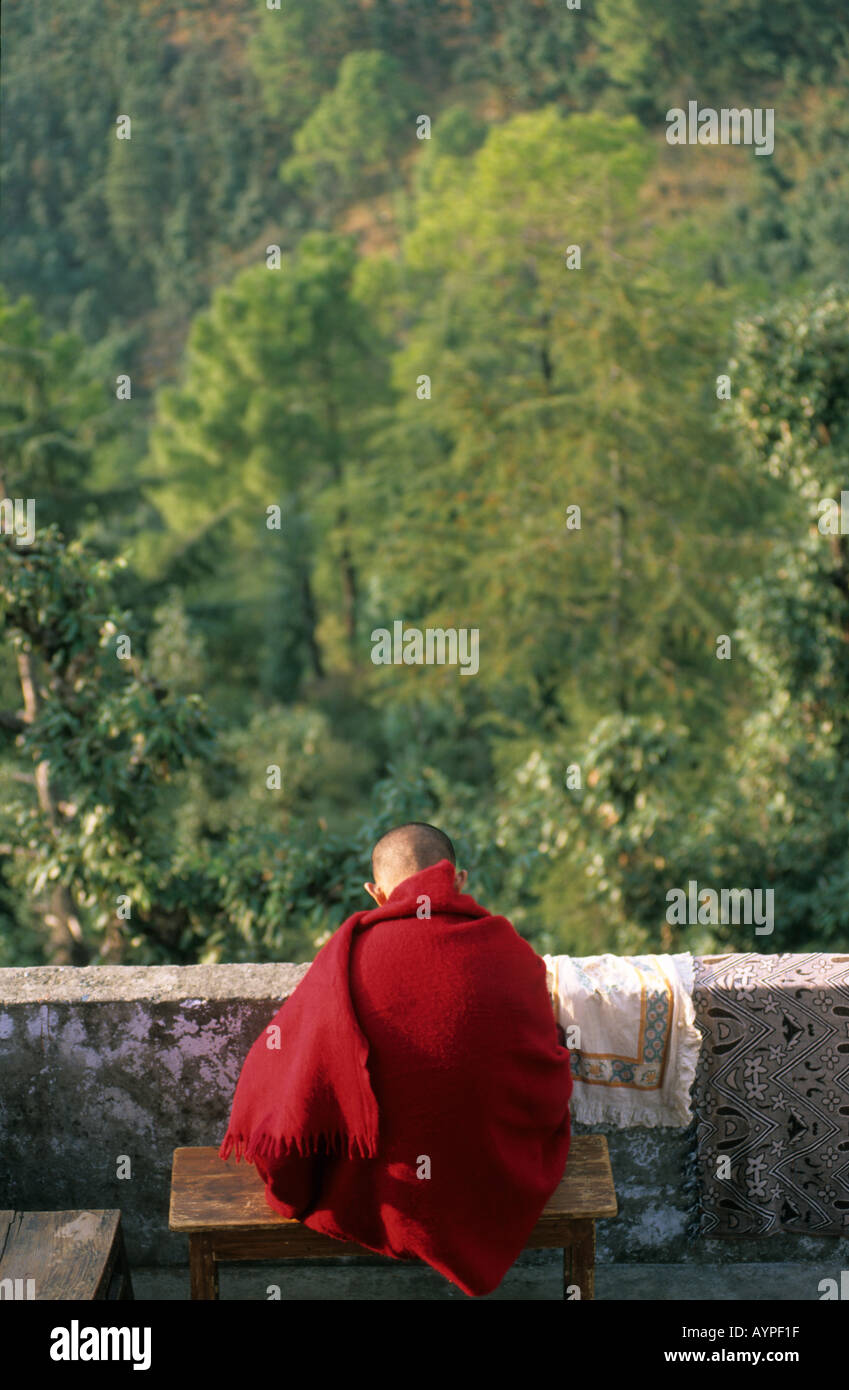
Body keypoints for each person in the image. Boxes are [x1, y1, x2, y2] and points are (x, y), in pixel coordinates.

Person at [219, 822, 572, 1297]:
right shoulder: (513, 952)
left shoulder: (348, 955)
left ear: (376, 892)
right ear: (459, 880)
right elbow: (544, 1076)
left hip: (382, 1195)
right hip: (487, 1181)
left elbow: (289, 1080)